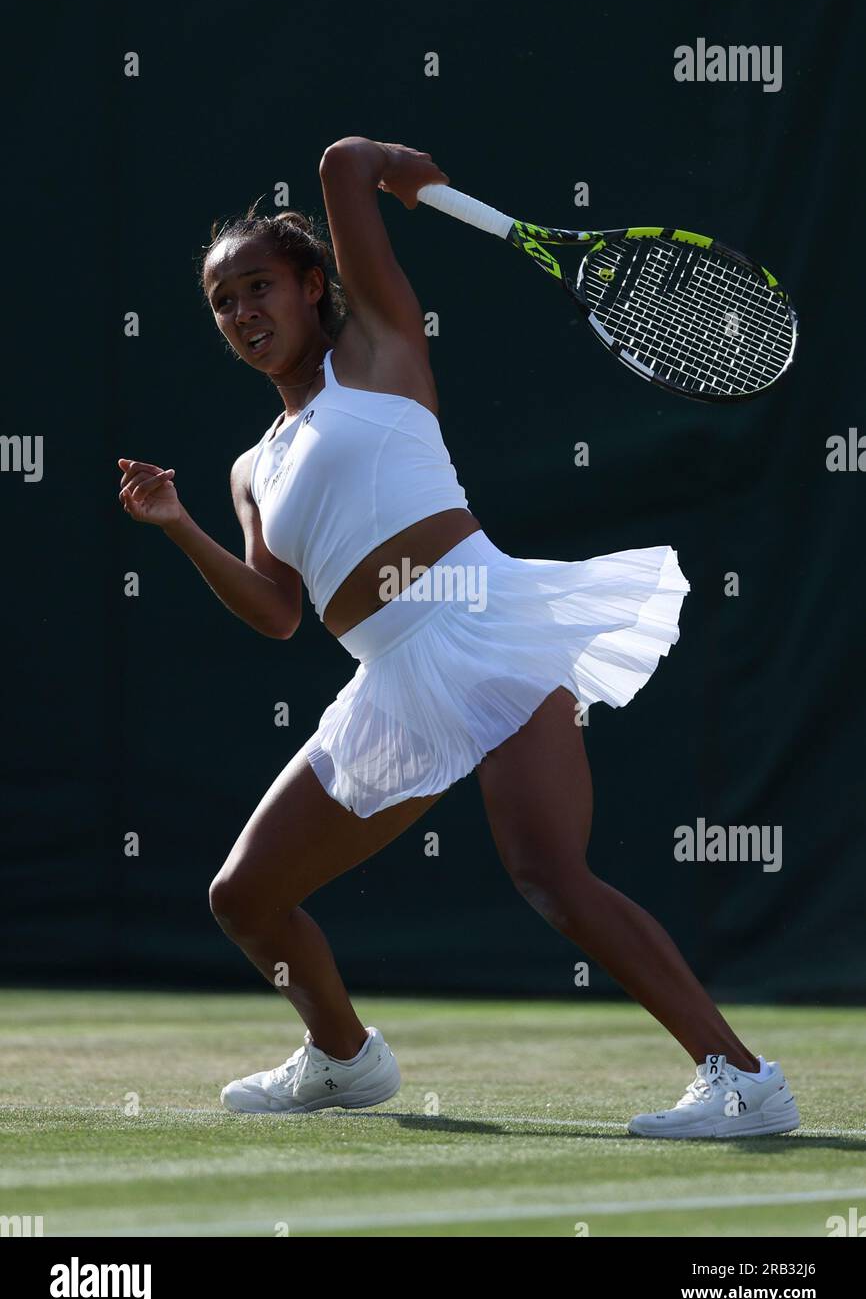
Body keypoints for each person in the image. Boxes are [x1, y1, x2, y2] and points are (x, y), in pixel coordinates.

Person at [117, 136, 799, 1138]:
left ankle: (741, 1078)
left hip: (483, 621)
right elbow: (274, 611)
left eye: (258, 287)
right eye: (222, 303)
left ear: (314, 286)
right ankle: (344, 1059)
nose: (241, 314)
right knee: (244, 897)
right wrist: (177, 525)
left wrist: (396, 169)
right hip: (388, 677)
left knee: (549, 874)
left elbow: (343, 162)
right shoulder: (249, 469)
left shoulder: (379, 348)